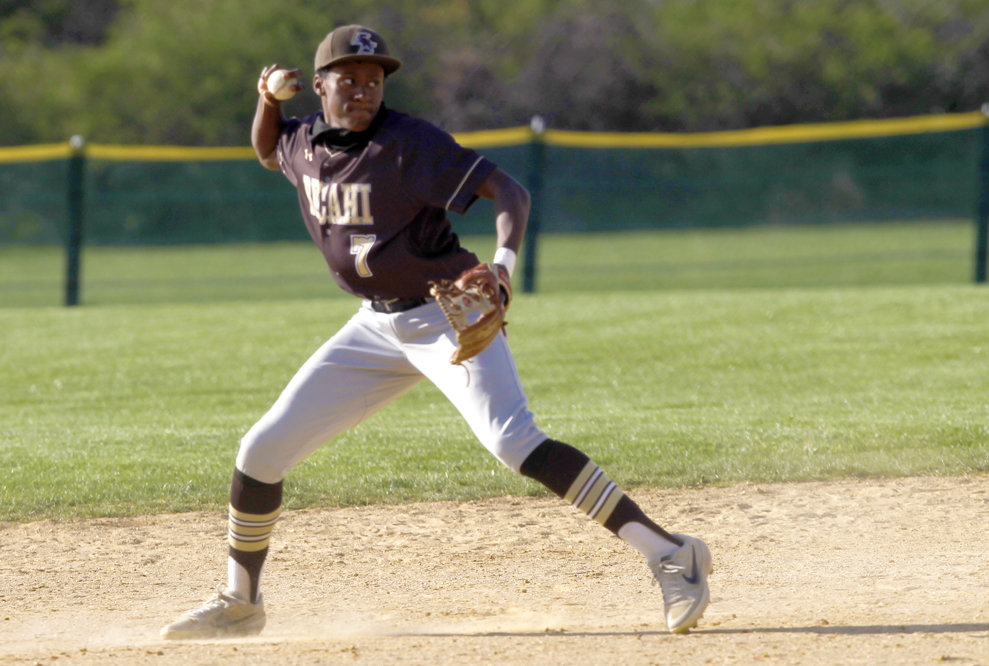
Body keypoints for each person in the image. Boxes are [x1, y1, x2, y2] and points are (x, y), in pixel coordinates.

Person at [160, 24, 711, 640]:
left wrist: (502, 265)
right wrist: (266, 101)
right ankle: (241, 603)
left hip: (447, 317)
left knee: (512, 441)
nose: (364, 90)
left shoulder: (408, 144)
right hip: (375, 326)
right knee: (260, 452)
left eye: (374, 80)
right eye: (349, 79)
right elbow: (268, 150)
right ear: (319, 86)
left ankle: (671, 553)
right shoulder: (304, 143)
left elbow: (509, 191)